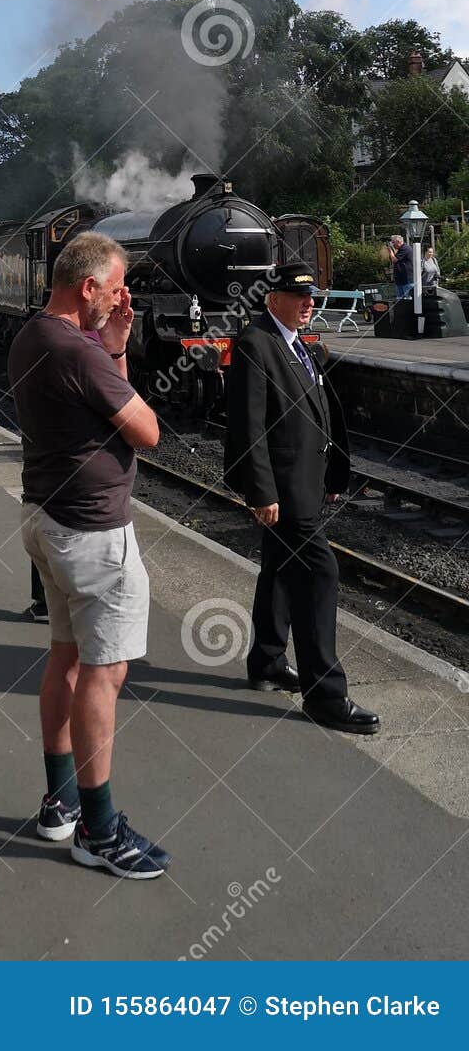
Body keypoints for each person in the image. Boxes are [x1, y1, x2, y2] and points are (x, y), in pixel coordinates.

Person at [10, 231, 168, 880]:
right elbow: (148, 431)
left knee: (67, 659)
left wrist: (118, 346)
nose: (120, 297)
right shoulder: (77, 350)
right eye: (115, 287)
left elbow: (111, 411)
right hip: (94, 535)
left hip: (46, 519)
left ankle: (60, 803)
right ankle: (99, 832)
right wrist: (110, 352)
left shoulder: (32, 336)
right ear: (88, 288)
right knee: (105, 673)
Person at [225, 261, 380, 735]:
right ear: (273, 300)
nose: (310, 302)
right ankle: (326, 695)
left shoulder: (295, 344)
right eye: (300, 296)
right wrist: (261, 491)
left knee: (277, 567)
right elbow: (249, 425)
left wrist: (332, 472)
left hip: (305, 484)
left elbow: (315, 416)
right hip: (284, 491)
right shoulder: (256, 344)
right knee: (320, 570)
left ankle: (268, 661)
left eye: (312, 295)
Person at [389, 234, 414, 299]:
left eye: (393, 242)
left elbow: (394, 259)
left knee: (408, 300)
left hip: (407, 280)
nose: (393, 244)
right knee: (400, 301)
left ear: (398, 242)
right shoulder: (400, 250)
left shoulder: (405, 248)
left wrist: (390, 250)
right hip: (401, 280)